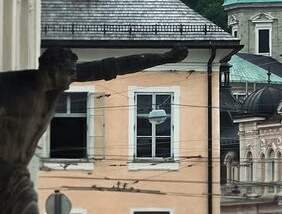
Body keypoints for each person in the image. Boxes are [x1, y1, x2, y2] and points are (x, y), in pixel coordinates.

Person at [0, 45, 188, 214]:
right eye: (69, 73)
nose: (73, 78)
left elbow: (116, 66)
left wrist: (164, 58)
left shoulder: (56, 87)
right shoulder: (12, 87)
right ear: (53, 71)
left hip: (17, 176)